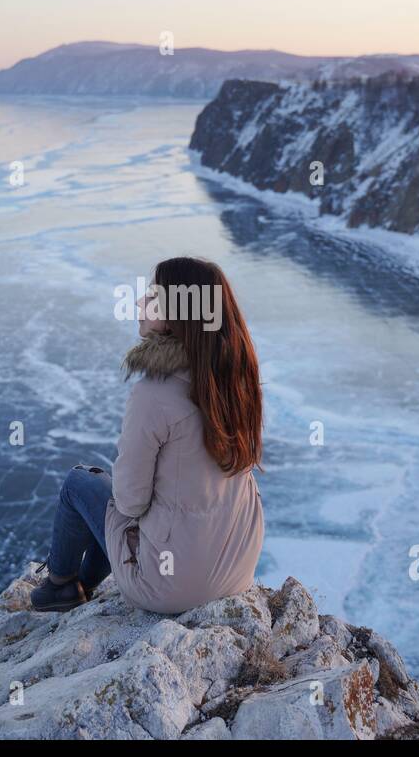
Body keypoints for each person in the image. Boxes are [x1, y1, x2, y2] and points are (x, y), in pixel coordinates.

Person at [31, 256, 265, 615]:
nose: (139, 305)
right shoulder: (236, 380)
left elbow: (129, 502)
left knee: (80, 483)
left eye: (153, 297)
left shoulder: (154, 393)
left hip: (171, 589)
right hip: (236, 573)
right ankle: (81, 585)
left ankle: (61, 587)